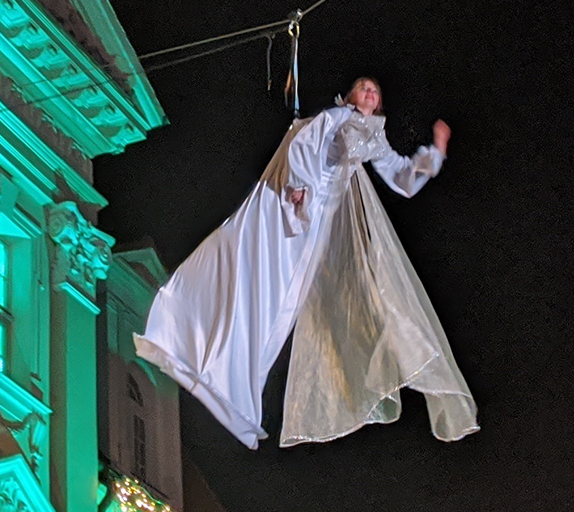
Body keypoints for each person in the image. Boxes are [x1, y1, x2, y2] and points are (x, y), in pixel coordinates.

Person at [134, 77, 479, 448]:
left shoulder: (373, 135)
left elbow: (401, 177)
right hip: (287, 207)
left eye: (376, 90)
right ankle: (182, 332)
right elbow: (304, 141)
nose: (370, 92)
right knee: (247, 265)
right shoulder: (336, 116)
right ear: (350, 95)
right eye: (363, 87)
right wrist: (298, 183)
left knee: (281, 306)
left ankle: (237, 389)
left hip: (315, 226)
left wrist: (436, 152)